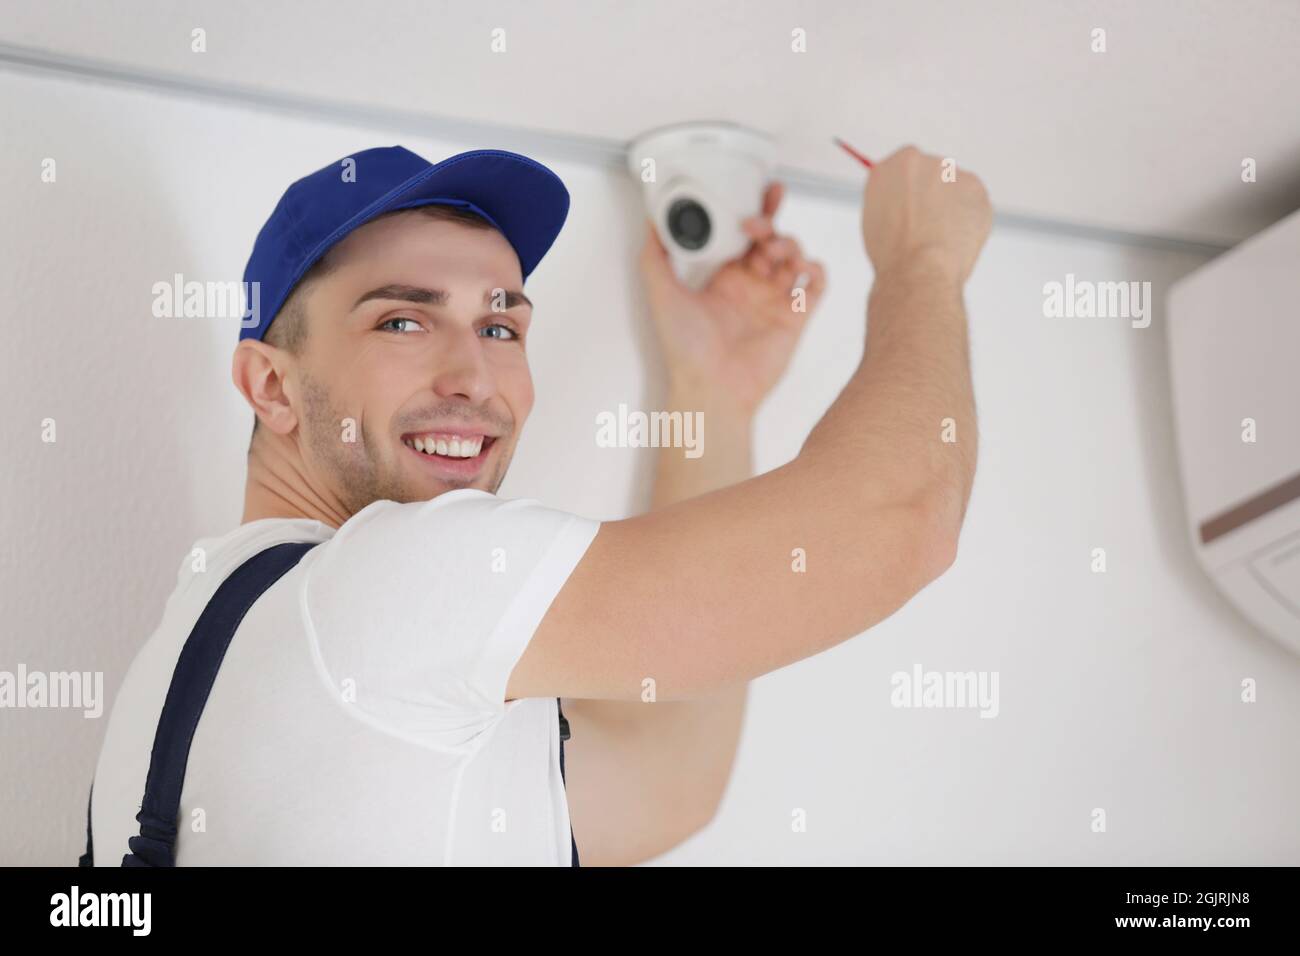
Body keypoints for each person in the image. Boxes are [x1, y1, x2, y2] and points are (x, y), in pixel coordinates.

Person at [86, 142, 990, 865]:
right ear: (272, 387)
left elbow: (665, 779)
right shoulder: (383, 582)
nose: (474, 375)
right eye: (402, 319)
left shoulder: (221, 652)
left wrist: (712, 385)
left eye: (499, 325)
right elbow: (899, 516)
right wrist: (924, 258)